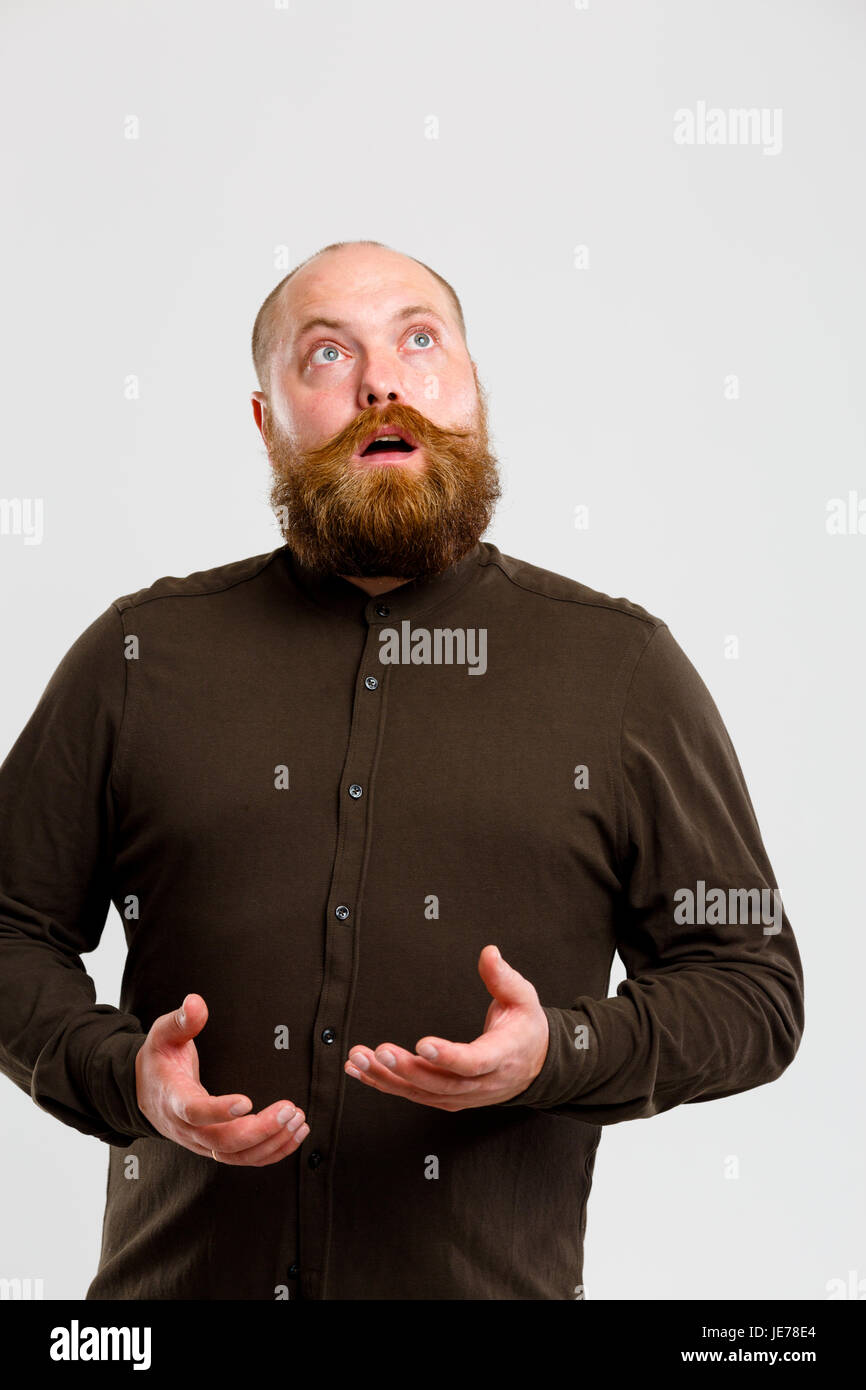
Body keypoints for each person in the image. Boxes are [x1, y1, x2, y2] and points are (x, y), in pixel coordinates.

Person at [0, 239, 804, 1300]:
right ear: (264, 423)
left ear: (470, 391)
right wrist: (122, 1078)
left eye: (420, 340)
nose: (382, 379)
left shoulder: (622, 670)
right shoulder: (139, 656)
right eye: (325, 354)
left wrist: (558, 1050)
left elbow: (750, 985)